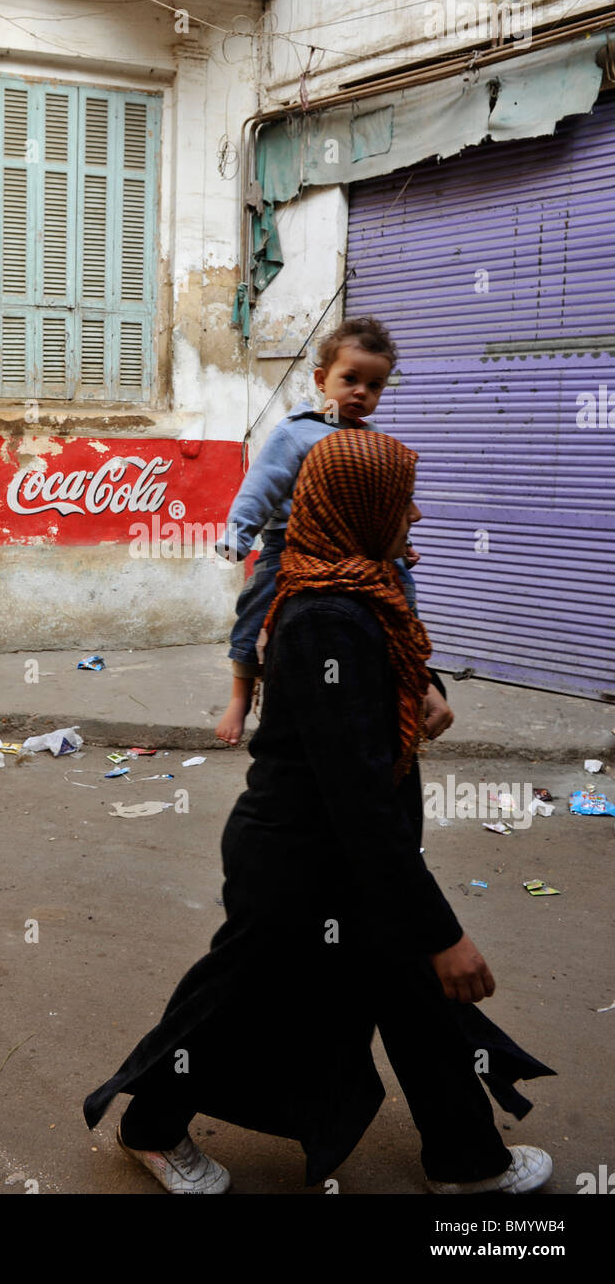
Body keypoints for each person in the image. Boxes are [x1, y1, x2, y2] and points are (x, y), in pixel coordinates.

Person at [83, 428, 555, 1195]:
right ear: (362, 505)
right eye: (403, 500)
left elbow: (390, 667)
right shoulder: (324, 616)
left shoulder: (360, 586)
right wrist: (445, 931)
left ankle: (467, 1161)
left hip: (351, 853)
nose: (419, 516)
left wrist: (424, 685)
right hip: (300, 860)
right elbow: (358, 796)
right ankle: (151, 1130)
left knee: (414, 994)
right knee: (242, 999)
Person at [214, 316, 423, 747]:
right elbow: (260, 487)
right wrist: (238, 536)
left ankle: (414, 677)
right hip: (290, 543)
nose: (362, 392)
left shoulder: (374, 438)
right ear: (321, 380)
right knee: (256, 608)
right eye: (351, 379)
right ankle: (239, 695)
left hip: (357, 550)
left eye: (376, 385)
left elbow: (386, 505)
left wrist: (403, 547)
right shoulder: (296, 434)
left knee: (402, 594)